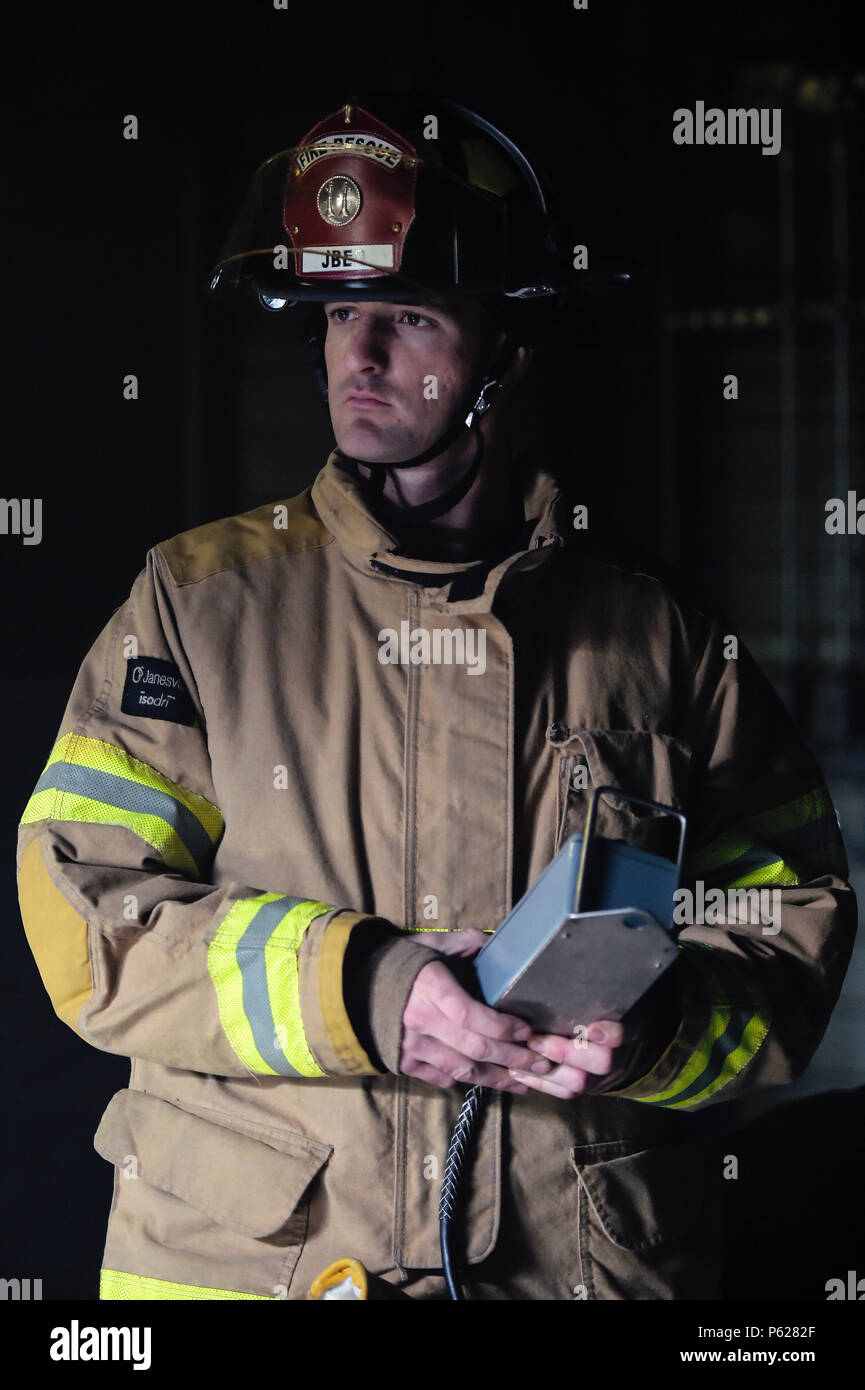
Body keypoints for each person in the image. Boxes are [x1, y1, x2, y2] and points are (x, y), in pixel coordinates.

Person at [17, 96, 856, 1301]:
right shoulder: (195, 610)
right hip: (256, 1270)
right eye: (339, 313)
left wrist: (662, 1021)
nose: (353, 357)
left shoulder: (663, 640)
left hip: (573, 1268)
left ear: (508, 351)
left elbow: (789, 921)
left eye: (405, 317)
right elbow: (84, 907)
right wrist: (355, 986)